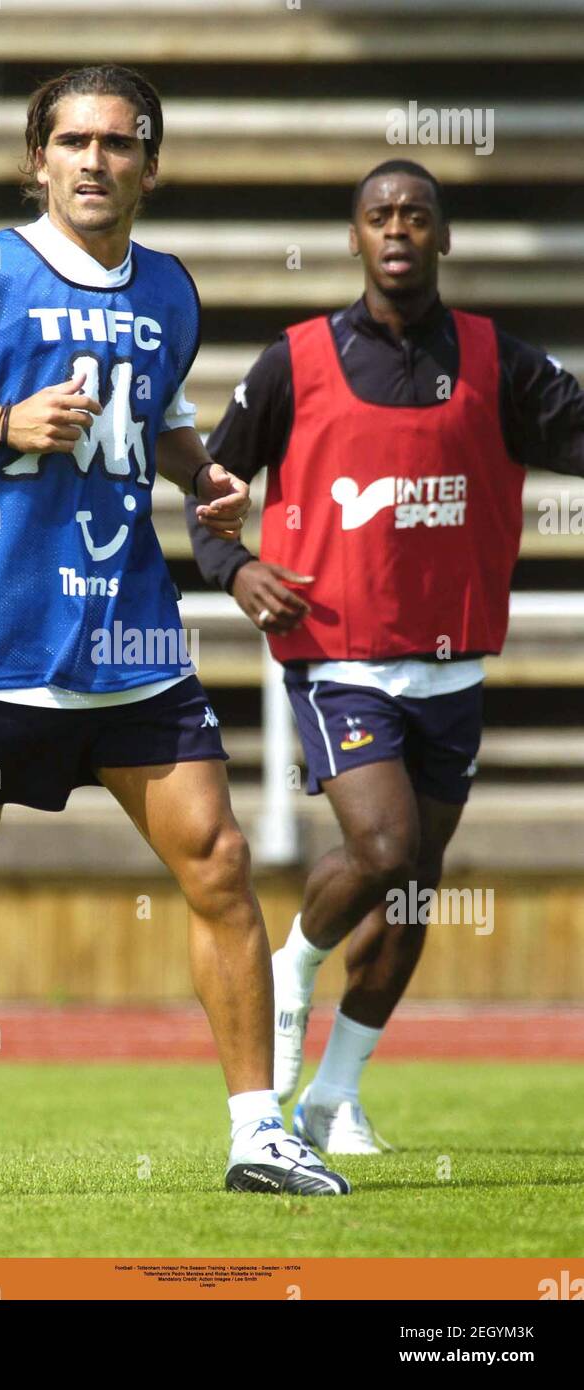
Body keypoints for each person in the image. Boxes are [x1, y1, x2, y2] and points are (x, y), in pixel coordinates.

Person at [0, 63, 351, 1199]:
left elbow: (153, 416)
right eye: (73, 141)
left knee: (216, 860)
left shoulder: (168, 291)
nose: (94, 161)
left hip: (129, 639)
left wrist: (198, 471)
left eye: (118, 143)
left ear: (150, 166)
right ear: (37, 159)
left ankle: (258, 1129)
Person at [186, 159, 584, 1154]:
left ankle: (332, 1095)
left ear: (442, 239)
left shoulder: (500, 362)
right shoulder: (293, 361)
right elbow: (209, 495)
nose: (397, 229)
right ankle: (293, 964)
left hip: (450, 666)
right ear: (353, 238)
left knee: (412, 885)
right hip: (337, 654)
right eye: (378, 216)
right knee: (384, 849)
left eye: (415, 215)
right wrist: (235, 568)